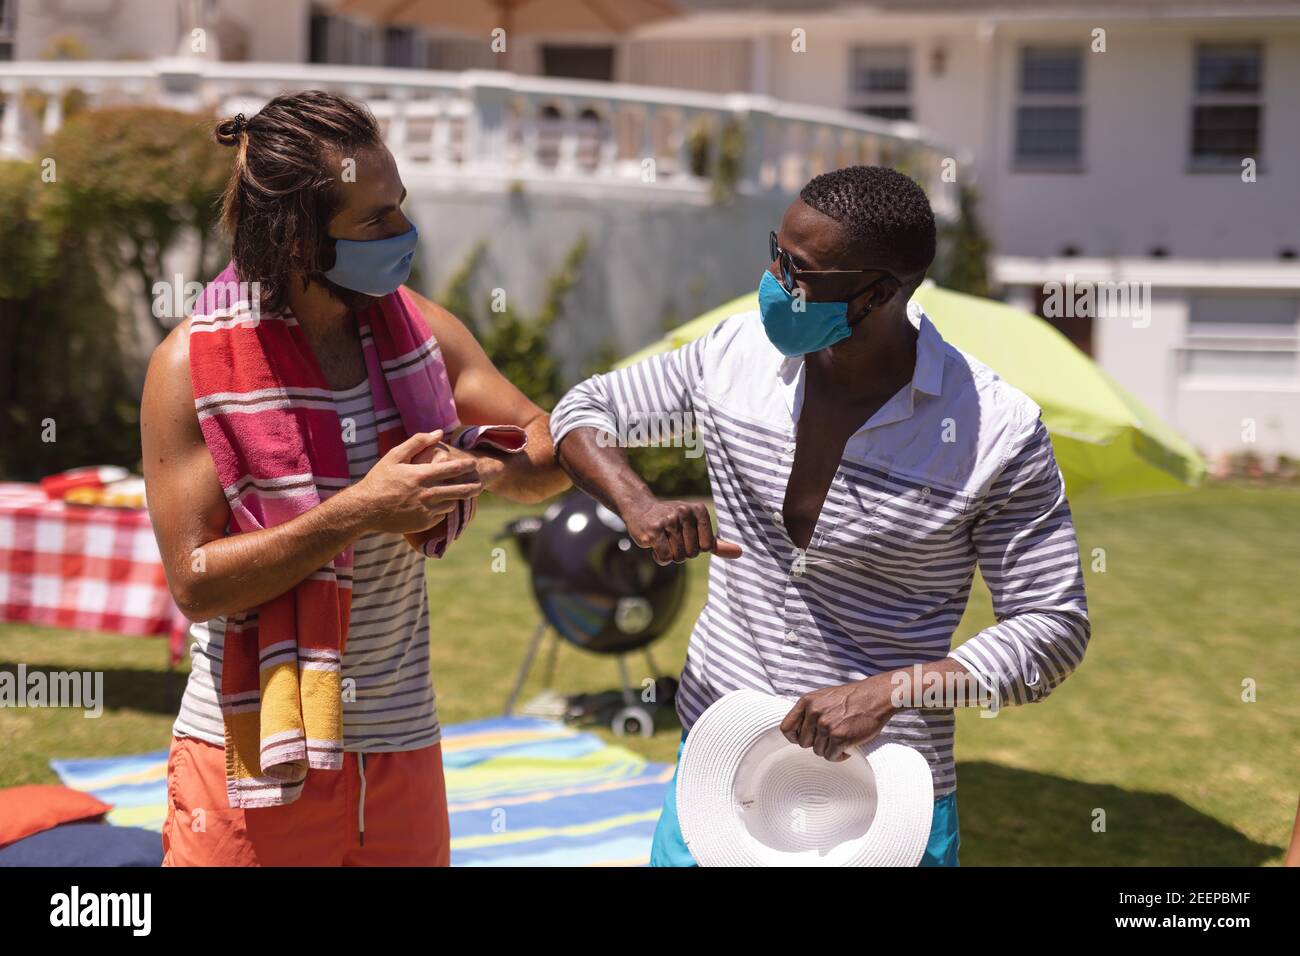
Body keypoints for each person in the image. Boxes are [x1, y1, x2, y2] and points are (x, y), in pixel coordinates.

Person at [549, 165, 1091, 866]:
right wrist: (638, 503)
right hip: (718, 771)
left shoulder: (994, 432)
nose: (775, 282)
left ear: (880, 293)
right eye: (778, 253)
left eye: (801, 273)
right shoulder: (732, 353)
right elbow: (583, 410)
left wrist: (895, 689)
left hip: (885, 797)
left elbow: (1053, 628)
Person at [141, 91, 569, 866]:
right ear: (297, 239)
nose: (403, 233)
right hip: (251, 752)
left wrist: (462, 471)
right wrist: (359, 511)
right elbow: (197, 583)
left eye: (399, 207)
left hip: (401, 742)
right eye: (375, 220)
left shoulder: (422, 332)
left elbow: (547, 452)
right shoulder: (190, 367)